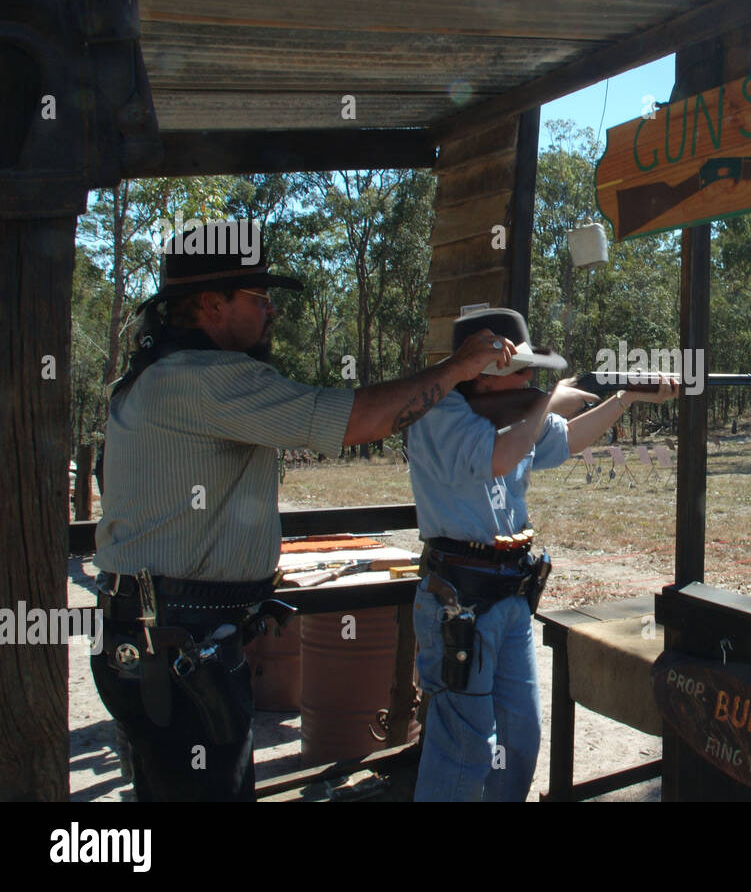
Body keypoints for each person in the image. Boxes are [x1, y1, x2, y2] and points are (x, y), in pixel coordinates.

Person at [91, 228, 513, 801]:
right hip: (178, 644)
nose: (272, 309)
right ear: (211, 305)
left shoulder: (160, 377)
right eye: (257, 296)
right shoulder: (207, 378)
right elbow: (356, 420)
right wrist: (457, 367)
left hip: (165, 637)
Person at [407, 307, 677, 801]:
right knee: (464, 746)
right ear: (488, 371)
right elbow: (499, 455)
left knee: (520, 738)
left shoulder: (519, 415)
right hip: (459, 599)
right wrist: (551, 397)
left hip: (510, 595)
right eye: (524, 367)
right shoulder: (439, 413)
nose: (532, 377)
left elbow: (567, 439)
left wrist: (624, 398)